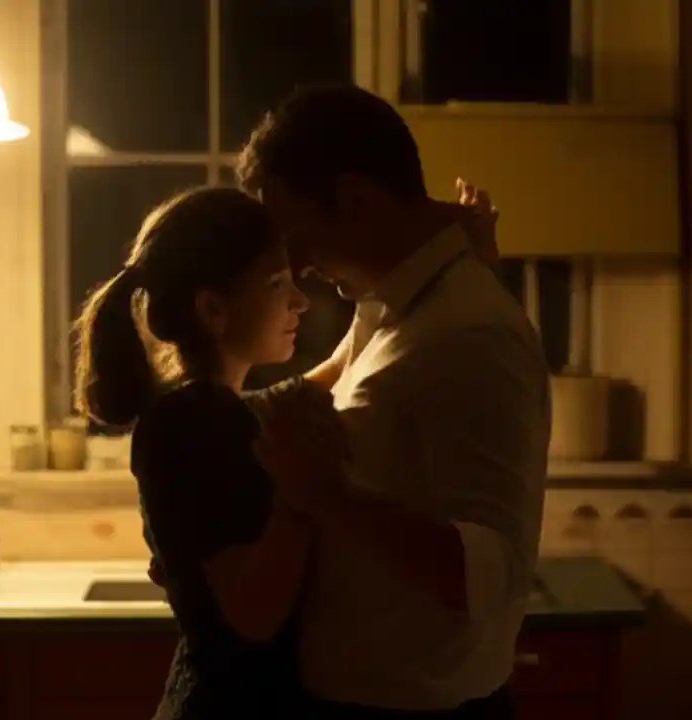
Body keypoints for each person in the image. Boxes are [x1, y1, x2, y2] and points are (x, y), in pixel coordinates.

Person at [236, 84, 551, 719]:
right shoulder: (387, 309)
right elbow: (311, 394)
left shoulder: (472, 334)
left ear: (355, 200)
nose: (295, 268)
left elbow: (494, 574)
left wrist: (327, 496)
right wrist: (191, 425)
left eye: (298, 239)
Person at [73, 186, 333, 719]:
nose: (300, 301)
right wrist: (303, 497)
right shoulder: (199, 423)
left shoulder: (204, 409)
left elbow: (308, 388)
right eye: (277, 283)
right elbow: (254, 615)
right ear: (214, 309)